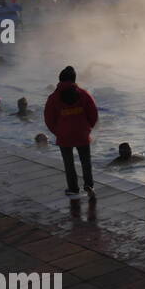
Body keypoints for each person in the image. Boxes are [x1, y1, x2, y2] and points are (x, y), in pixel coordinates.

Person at [44, 66, 99, 197]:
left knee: (68, 163)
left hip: (64, 135)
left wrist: (57, 131)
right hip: (82, 133)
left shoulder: (53, 98)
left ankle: (73, 188)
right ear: (74, 79)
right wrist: (87, 128)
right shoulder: (83, 94)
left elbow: (49, 118)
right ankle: (88, 185)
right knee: (86, 161)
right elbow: (93, 113)